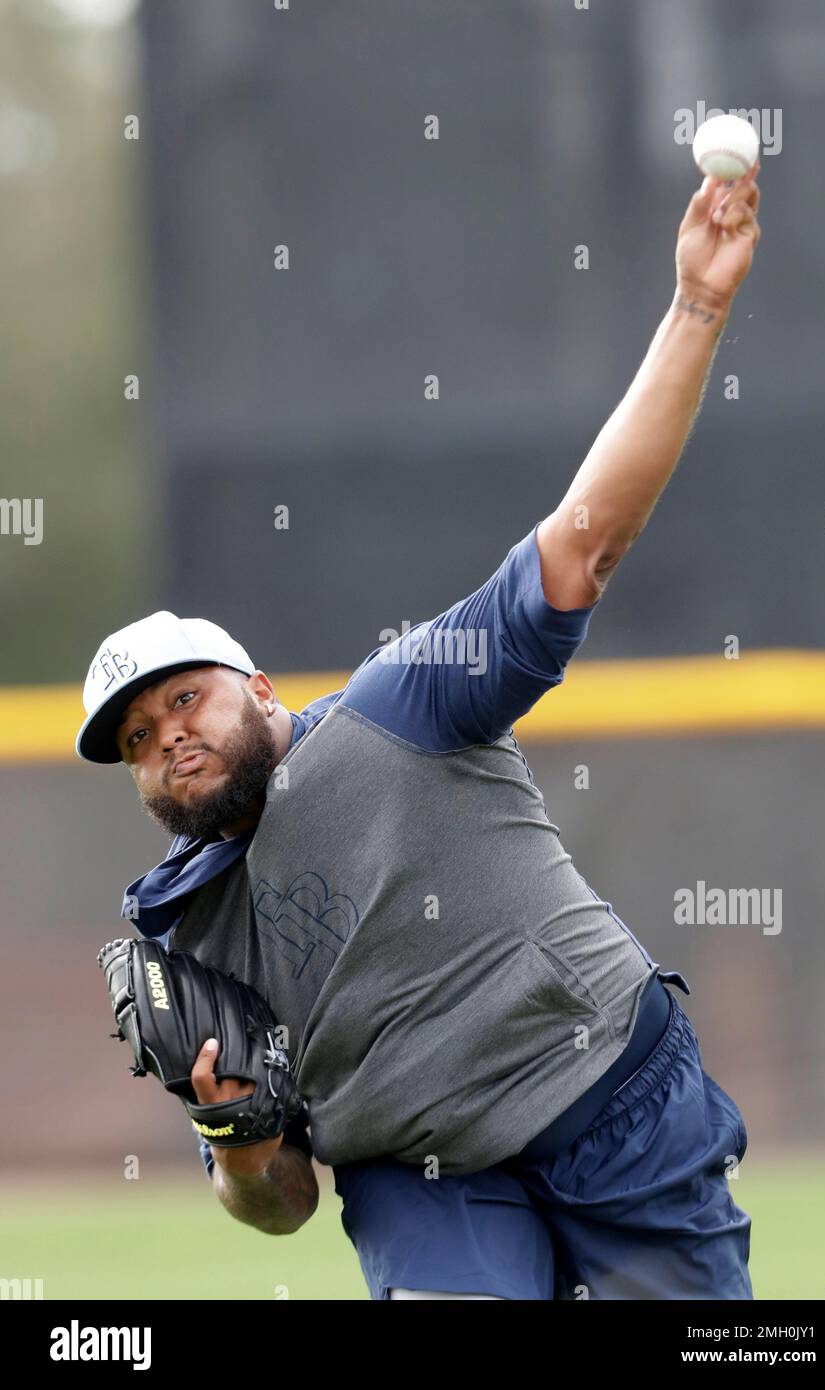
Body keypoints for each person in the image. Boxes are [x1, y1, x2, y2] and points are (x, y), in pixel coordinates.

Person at [77, 168, 760, 1300]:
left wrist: (694, 307)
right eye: (140, 738)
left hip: (604, 1088)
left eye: (184, 699)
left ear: (253, 683)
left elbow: (580, 544)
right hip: (418, 1172)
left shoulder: (401, 707)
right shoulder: (182, 932)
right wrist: (239, 1140)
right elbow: (279, 1203)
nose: (169, 739)